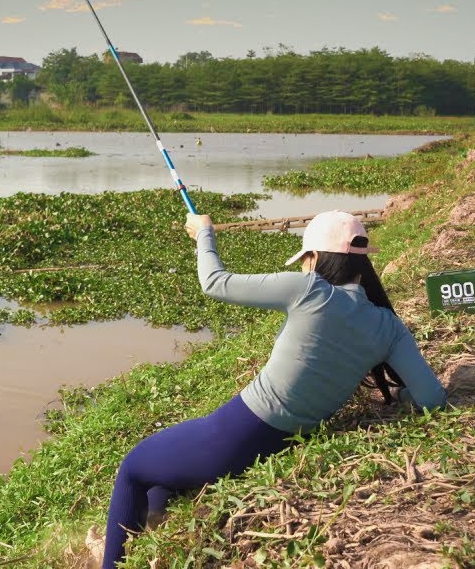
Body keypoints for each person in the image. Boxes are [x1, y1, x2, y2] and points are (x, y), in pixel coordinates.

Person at [100, 210, 446, 568]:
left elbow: (214, 282)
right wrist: (400, 396)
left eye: (304, 260)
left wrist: (204, 233)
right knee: (162, 481)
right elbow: (432, 399)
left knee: (133, 468)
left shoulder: (310, 290)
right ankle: (150, 533)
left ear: (314, 258)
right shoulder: (387, 324)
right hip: (279, 444)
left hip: (232, 434)